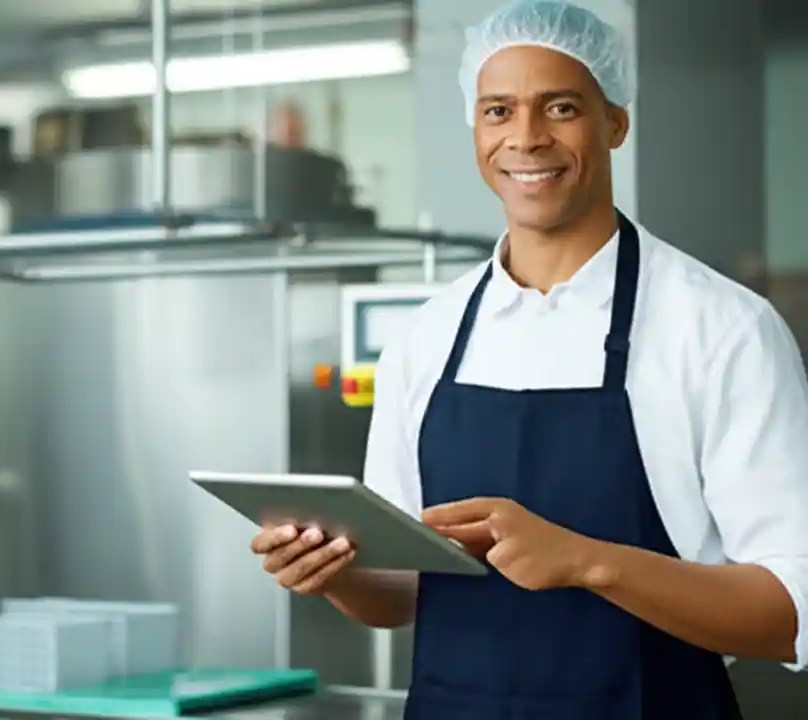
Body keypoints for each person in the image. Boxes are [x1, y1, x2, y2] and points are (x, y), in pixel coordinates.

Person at [250, 1, 808, 717]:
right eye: (498, 111)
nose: (526, 138)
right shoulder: (426, 337)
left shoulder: (721, 329)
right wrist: (332, 574)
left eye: (561, 107)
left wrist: (585, 561)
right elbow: (405, 590)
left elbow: (790, 608)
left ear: (614, 121)